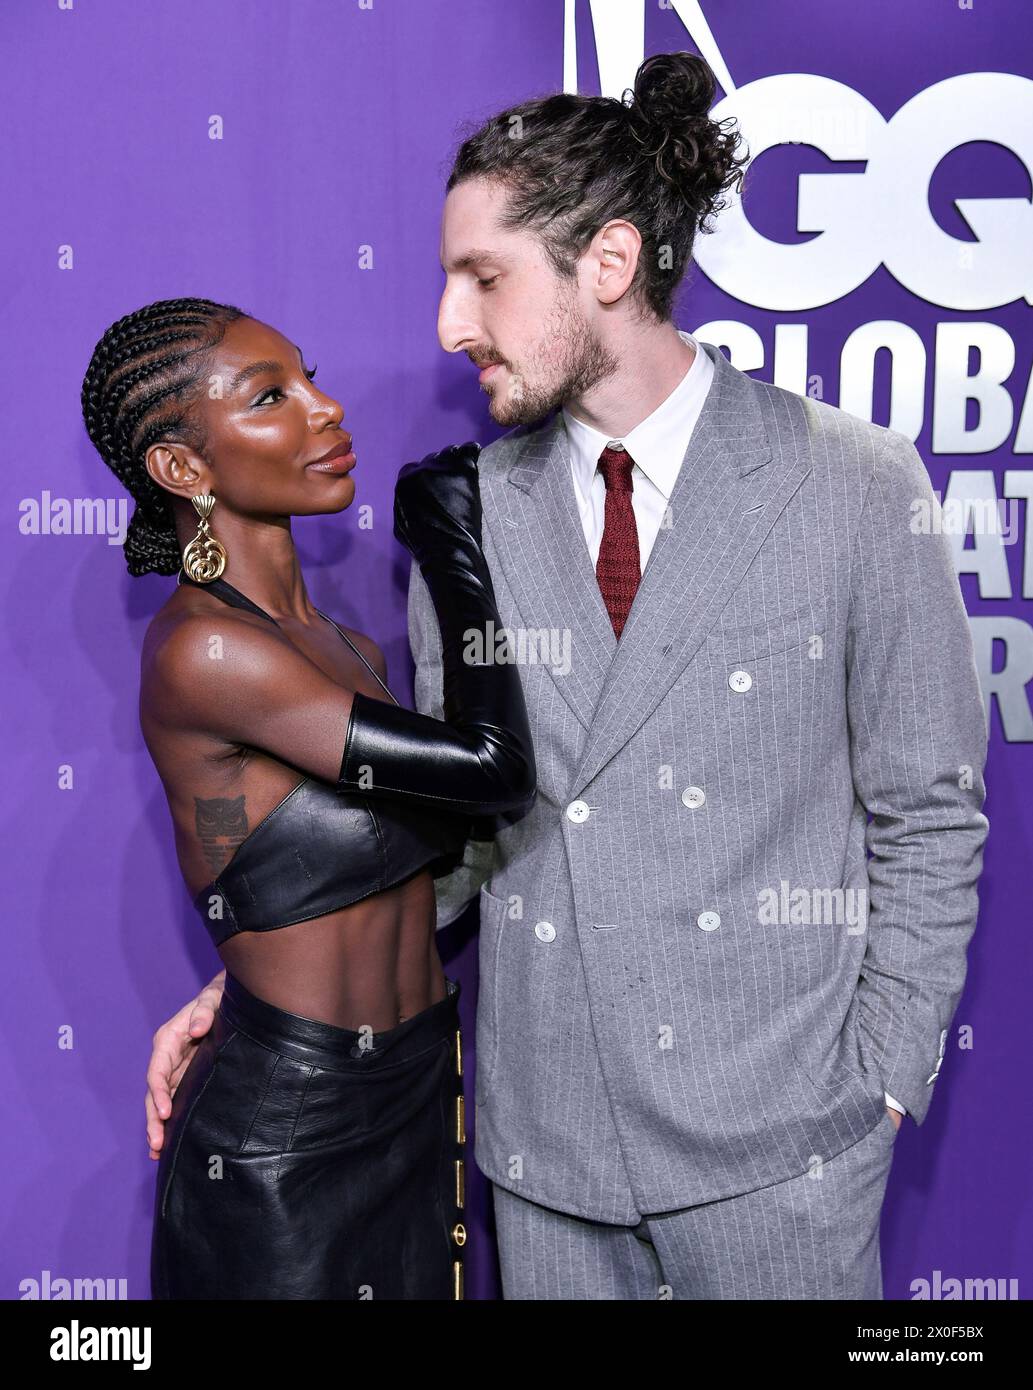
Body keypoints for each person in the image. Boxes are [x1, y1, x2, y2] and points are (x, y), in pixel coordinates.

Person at [147, 51, 989, 1300]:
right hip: (544, 1174)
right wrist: (269, 972)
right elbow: (468, 834)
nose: (448, 324)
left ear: (606, 263)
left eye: (483, 277)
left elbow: (928, 809)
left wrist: (878, 1081)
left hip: (784, 1162)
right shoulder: (471, 515)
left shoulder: (855, 483)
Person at [81, 298, 535, 1299]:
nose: (326, 409)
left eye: (311, 378)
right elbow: (495, 766)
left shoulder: (348, 650)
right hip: (289, 1135)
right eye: (271, 397)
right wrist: (456, 549)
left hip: (418, 1097)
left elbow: (421, 856)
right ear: (182, 469)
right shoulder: (209, 650)